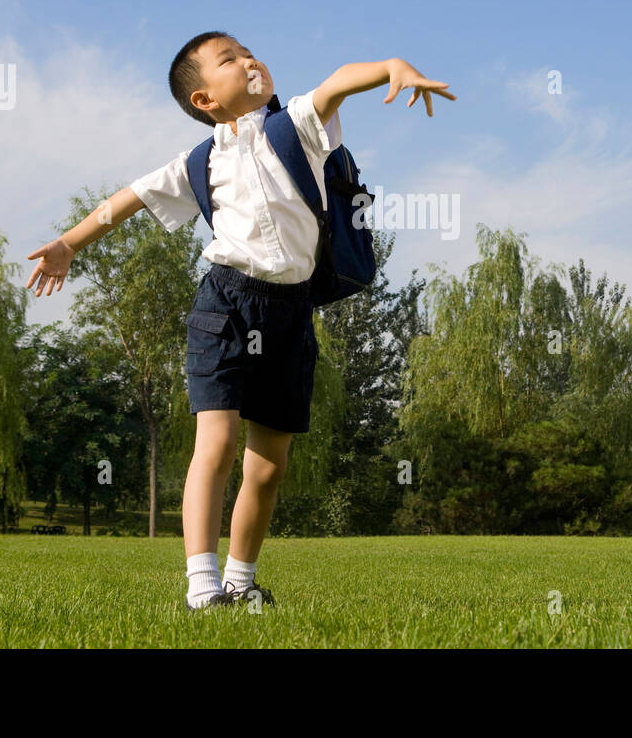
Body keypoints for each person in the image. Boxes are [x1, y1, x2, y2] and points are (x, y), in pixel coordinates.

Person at [25, 31, 455, 611]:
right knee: (217, 442)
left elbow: (335, 85)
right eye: (230, 60)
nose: (249, 60)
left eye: (249, 52)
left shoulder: (296, 126)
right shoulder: (199, 162)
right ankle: (202, 585)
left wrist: (390, 67)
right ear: (204, 100)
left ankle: (241, 581)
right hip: (224, 306)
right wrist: (70, 244)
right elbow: (126, 199)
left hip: (290, 312)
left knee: (269, 466)